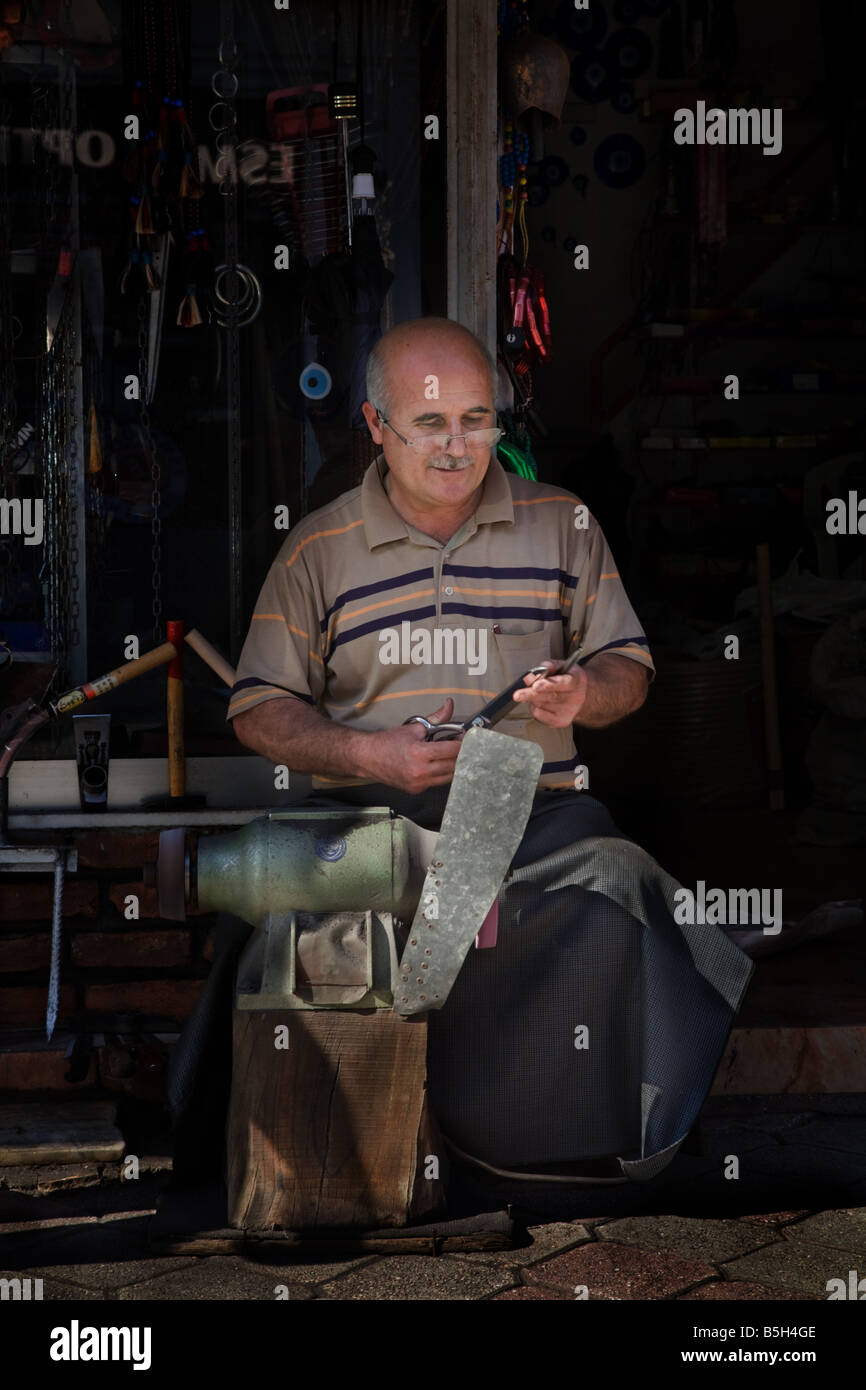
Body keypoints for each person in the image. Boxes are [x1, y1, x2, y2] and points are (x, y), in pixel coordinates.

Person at [224, 316, 753, 1183]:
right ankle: (341, 1167)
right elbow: (258, 708)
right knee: (282, 916)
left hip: (538, 814)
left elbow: (631, 667)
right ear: (375, 426)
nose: (456, 445)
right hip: (370, 814)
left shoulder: (563, 524)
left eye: (476, 419)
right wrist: (369, 755)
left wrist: (586, 691)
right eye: (429, 422)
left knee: (617, 887)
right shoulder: (317, 549)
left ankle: (574, 1154)